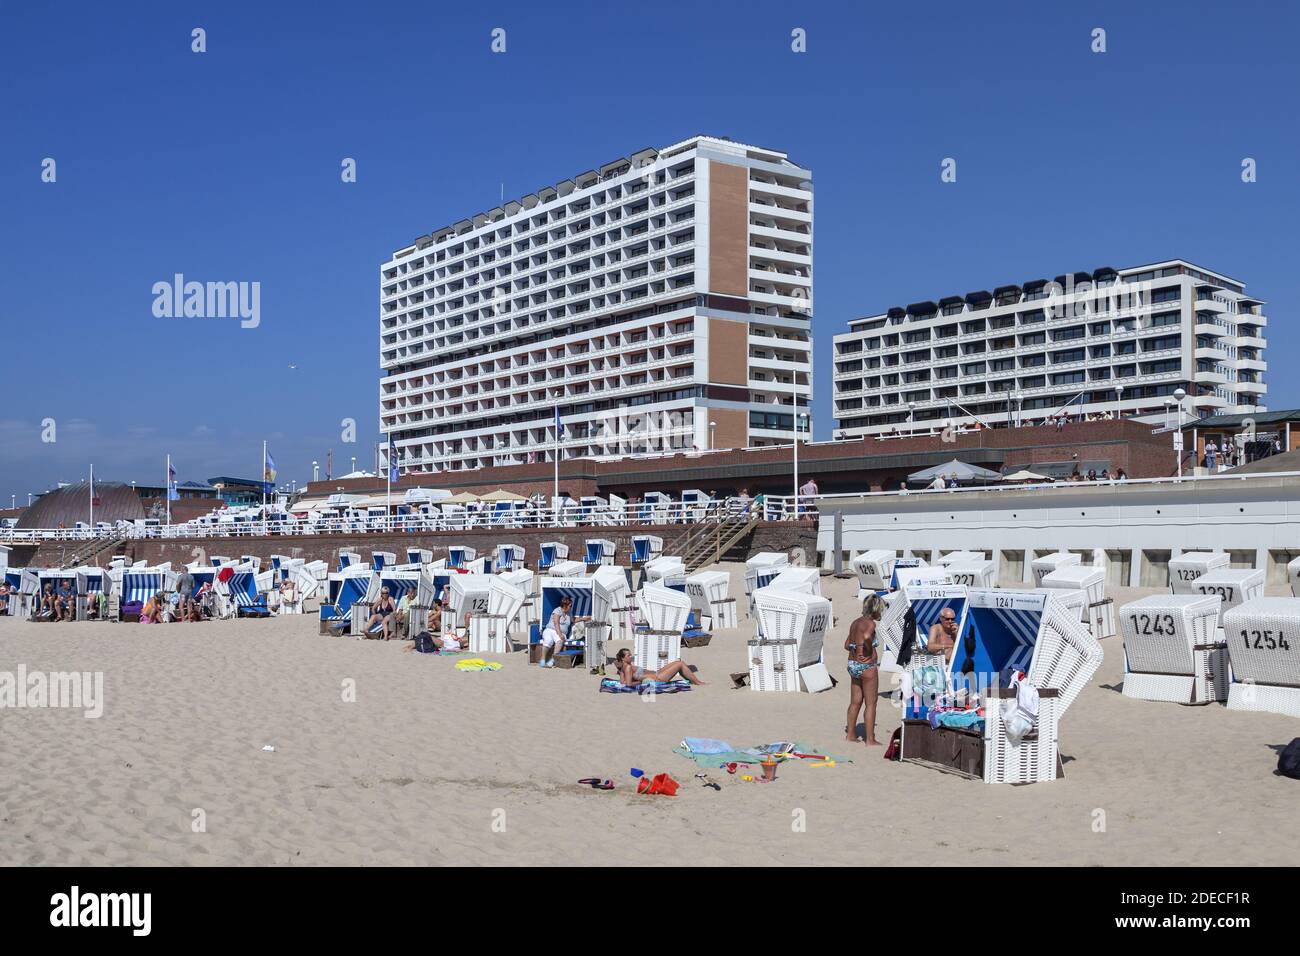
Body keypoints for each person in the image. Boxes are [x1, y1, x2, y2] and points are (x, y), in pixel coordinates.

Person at [845, 595, 885, 745]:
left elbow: (846, 644)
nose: (881, 613)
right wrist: (867, 649)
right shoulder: (870, 624)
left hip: (853, 664)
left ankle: (850, 735)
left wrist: (858, 649)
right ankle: (870, 739)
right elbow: (868, 636)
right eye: (880, 609)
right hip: (867, 666)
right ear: (875, 609)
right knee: (871, 703)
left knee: (855, 701)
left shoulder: (855, 623)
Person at [539, 596, 588, 668]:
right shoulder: (557, 610)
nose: (571, 607)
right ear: (565, 605)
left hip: (561, 632)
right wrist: (560, 634)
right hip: (550, 629)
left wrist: (584, 618)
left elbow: (573, 620)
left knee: (559, 641)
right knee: (548, 641)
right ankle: (542, 660)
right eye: (570, 605)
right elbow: (556, 623)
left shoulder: (569, 613)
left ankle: (552, 660)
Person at [613, 647, 705, 686]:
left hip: (657, 673)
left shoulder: (623, 668)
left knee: (679, 662)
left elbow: (623, 682)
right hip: (658, 678)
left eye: (630, 655)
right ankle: (697, 682)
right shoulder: (628, 667)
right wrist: (642, 682)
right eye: (628, 655)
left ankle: (693, 681)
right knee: (680, 664)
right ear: (623, 658)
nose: (631, 656)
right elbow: (628, 684)